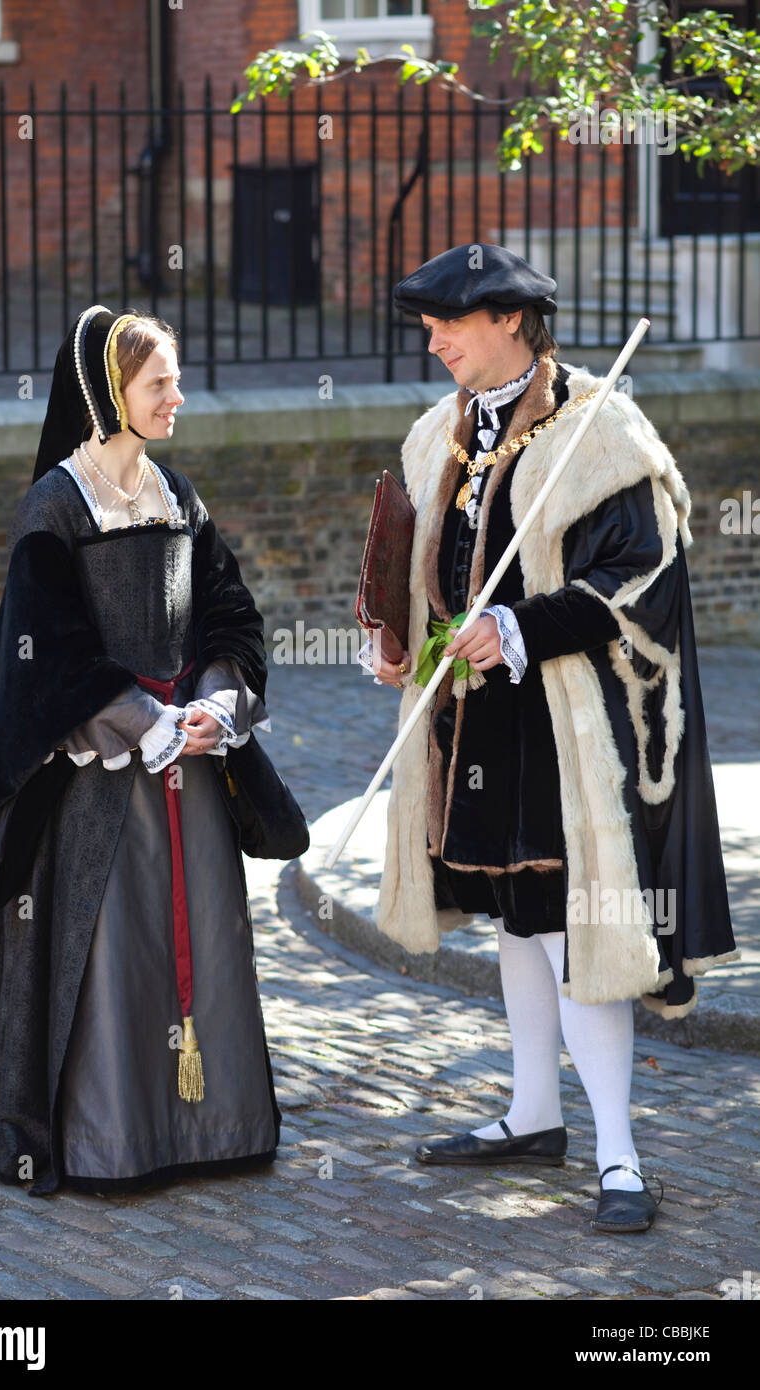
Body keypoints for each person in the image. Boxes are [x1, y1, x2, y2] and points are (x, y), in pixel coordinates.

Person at [358, 244, 738, 1234]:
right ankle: (533, 1113)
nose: (433, 340)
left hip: (569, 734)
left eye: (450, 322)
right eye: (429, 324)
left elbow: (638, 576)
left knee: (577, 931)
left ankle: (617, 1151)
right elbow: (424, 566)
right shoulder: (436, 438)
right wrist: (400, 636)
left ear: (513, 324)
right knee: (513, 917)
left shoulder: (601, 434)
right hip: (472, 724)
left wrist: (520, 626)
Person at [0, 305, 287, 1196]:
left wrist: (215, 704)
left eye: (175, 380)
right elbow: (44, 653)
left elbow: (231, 617)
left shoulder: (179, 498)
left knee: (201, 933)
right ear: (109, 394)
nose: (177, 398)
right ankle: (114, 1137)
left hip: (191, 770)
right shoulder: (56, 504)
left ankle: (211, 1127)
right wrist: (144, 720)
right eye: (158, 384)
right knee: (111, 945)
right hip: (98, 779)